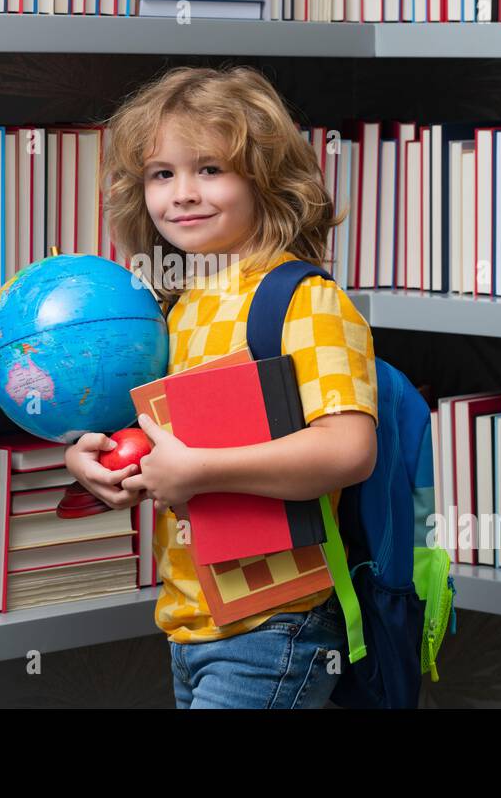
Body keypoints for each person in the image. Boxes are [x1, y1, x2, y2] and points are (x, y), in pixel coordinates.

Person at [63, 65, 379, 708]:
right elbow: (158, 442)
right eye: (161, 174)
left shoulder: (303, 302)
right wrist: (97, 460)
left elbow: (349, 451)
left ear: (266, 178)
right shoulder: (176, 309)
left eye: (209, 169)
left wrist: (198, 472)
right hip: (190, 621)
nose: (181, 193)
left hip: (276, 623)